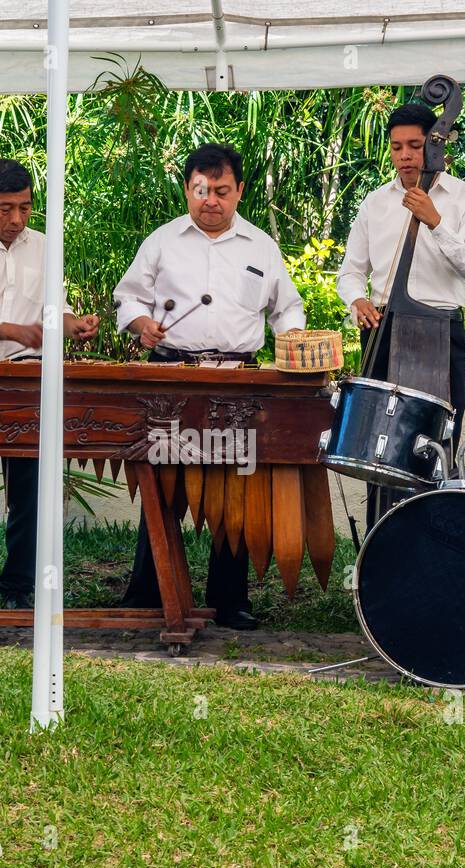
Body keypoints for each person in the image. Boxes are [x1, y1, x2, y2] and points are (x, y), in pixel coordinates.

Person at [114, 142, 306, 630]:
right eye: (201, 190)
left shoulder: (260, 246)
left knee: (233, 490)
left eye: (221, 191)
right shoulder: (162, 241)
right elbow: (128, 297)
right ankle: (149, 592)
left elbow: (286, 309)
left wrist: (294, 346)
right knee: (163, 486)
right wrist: (141, 324)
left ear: (239, 191)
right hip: (170, 375)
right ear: (187, 188)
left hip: (237, 379)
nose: (211, 201)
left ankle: (228, 600)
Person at [0, 158, 99, 608]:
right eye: (6, 209)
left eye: (25, 208)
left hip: (30, 375)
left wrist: (72, 324)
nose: (17, 220)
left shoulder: (45, 246)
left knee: (29, 488)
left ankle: (20, 588)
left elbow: (52, 309)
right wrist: (17, 330)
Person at [337, 102, 465, 529]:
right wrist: (357, 302)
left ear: (437, 145)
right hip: (383, 330)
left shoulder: (464, 198)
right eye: (397, 146)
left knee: (440, 442)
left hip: (442, 330)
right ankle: (378, 540)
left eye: (416, 145)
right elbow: (351, 272)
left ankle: (432, 539)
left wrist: (435, 221)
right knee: (379, 447)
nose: (406, 156)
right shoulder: (375, 202)